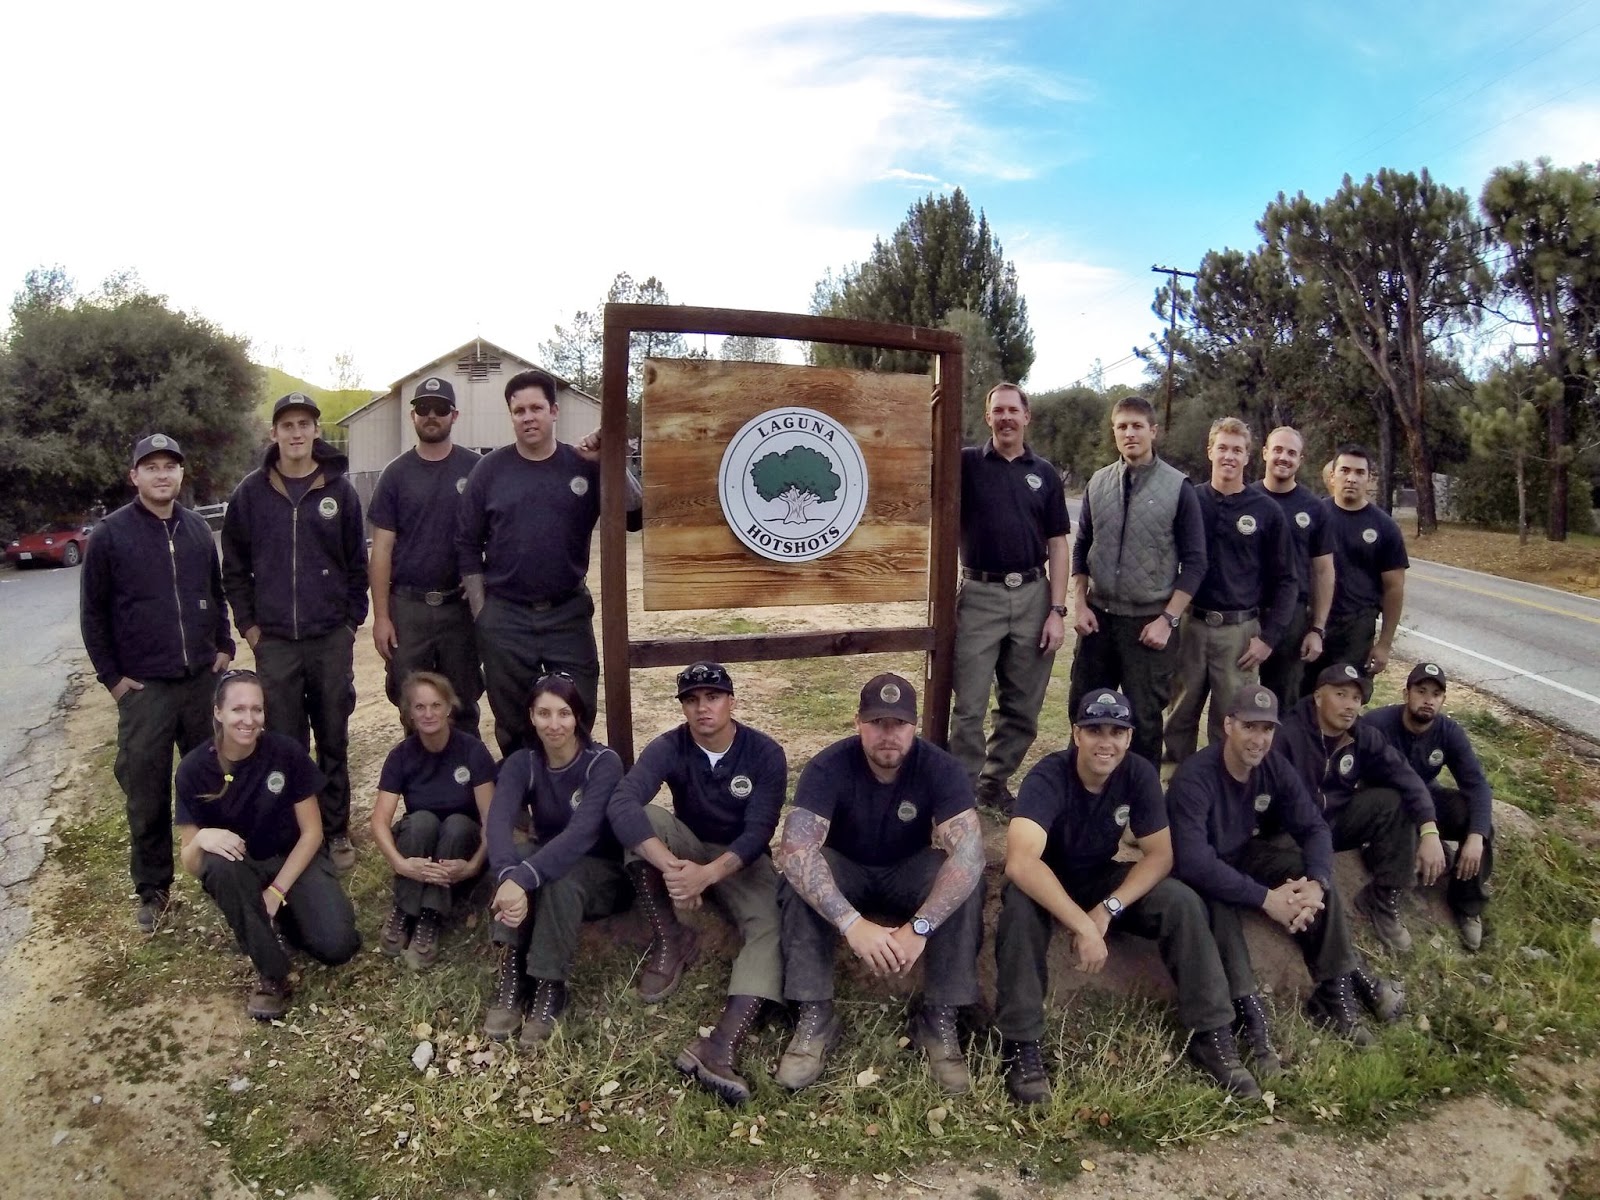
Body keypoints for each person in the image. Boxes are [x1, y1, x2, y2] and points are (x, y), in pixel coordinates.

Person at [995, 689, 1259, 1105]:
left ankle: (1212, 1034)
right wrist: (1083, 924)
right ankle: (1021, 1045)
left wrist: (1108, 908)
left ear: (1130, 738)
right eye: (1094, 730)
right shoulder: (1048, 775)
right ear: (1076, 734)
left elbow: (1161, 855)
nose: (1106, 742)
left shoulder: (1136, 773)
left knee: (1181, 902)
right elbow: (1021, 863)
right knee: (1018, 912)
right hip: (1047, 878)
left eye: (1117, 731)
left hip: (1099, 878)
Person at [774, 674, 985, 1095]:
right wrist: (852, 924)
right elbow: (794, 850)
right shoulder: (827, 766)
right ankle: (815, 1016)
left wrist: (920, 927)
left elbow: (970, 853)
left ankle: (939, 1020)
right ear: (858, 723)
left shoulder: (941, 768)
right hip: (846, 867)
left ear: (915, 726)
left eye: (899, 724)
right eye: (877, 723)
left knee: (964, 880)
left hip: (908, 868)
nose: (888, 735)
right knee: (800, 879)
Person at [1169, 684, 1400, 1054]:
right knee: (1216, 905)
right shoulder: (1194, 777)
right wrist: (1266, 899)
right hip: (1199, 871)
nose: (1259, 739)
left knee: (1308, 874)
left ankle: (1333, 990)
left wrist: (1318, 883)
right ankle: (1246, 1012)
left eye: (1268, 729)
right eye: (1250, 727)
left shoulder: (1273, 765)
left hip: (1244, 853)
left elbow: (1314, 827)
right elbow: (1194, 861)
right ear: (1228, 725)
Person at [606, 662, 788, 1104]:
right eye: (691, 700)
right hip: (688, 848)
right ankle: (672, 937)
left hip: (741, 861)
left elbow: (759, 831)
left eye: (712, 697)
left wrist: (706, 876)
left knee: (770, 927)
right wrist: (672, 868)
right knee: (644, 819)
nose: (702, 708)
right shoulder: (671, 745)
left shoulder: (765, 753)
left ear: (732, 701)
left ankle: (719, 1046)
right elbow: (623, 801)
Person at [80, 434, 234, 933]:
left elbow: (215, 591)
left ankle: (221, 875)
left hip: (199, 685)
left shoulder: (195, 530)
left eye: (170, 466)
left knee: (210, 784)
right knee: (146, 791)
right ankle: (154, 890)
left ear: (181, 474)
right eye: (152, 467)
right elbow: (93, 614)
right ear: (135, 476)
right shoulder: (110, 535)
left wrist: (224, 645)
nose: (162, 475)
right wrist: (113, 680)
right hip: (145, 689)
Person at [456, 369, 641, 757]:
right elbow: (467, 544)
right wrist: (482, 613)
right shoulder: (488, 472)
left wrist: (608, 460)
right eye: (518, 410)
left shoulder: (581, 465)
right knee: (512, 716)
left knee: (577, 707)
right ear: (511, 416)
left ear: (554, 410)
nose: (528, 416)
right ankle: (522, 797)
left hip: (566, 612)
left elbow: (635, 516)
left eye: (536, 407)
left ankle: (575, 792)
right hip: (505, 616)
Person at [222, 392, 368, 872]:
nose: (296, 433)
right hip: (277, 643)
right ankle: (293, 830)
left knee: (332, 734)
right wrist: (250, 628)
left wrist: (349, 624)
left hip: (330, 638)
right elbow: (235, 568)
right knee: (284, 740)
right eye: (287, 425)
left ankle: (336, 830)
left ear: (315, 432)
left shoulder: (339, 491)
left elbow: (356, 565)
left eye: (305, 423)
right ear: (274, 434)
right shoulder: (250, 493)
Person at [174, 670, 360, 1019]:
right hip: (241, 869)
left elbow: (312, 833)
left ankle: (279, 917)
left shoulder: (285, 753)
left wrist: (276, 892)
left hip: (293, 860)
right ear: (218, 712)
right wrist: (201, 837)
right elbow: (190, 862)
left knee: (338, 947)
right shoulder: (193, 769)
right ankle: (271, 973)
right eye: (238, 710)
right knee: (216, 863)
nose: (248, 719)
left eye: (256, 710)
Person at [483, 673, 628, 1050]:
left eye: (564, 713)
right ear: (530, 716)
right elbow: (498, 823)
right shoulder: (522, 763)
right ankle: (513, 974)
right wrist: (506, 877)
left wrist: (522, 878)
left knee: (558, 878)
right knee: (513, 861)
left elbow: (583, 833)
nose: (554, 724)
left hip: (601, 871)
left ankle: (550, 985)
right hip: (547, 866)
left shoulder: (603, 763)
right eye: (544, 713)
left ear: (578, 715)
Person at [950, 383, 1071, 811]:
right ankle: (960, 795)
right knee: (969, 703)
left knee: (1023, 706)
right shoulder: (964, 464)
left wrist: (1057, 610)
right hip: (980, 594)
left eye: (1012, 411)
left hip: (1034, 596)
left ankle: (994, 782)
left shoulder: (1046, 474)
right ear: (988, 418)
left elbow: (1058, 543)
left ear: (1026, 417)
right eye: (997, 411)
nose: (1005, 418)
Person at [1069, 396, 1208, 767]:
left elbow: (1196, 563)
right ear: (1114, 432)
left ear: (1153, 431)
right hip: (1098, 620)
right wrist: (1080, 604)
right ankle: (1079, 794)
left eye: (1137, 426)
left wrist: (1168, 620)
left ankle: (1138, 805)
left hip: (1149, 627)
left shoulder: (1179, 487)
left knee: (1144, 722)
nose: (1129, 433)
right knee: (1085, 710)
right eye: (1122, 426)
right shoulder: (1098, 483)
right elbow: (1082, 547)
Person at [1275, 663, 1445, 954]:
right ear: (1318, 697)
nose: (1350, 705)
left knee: (1394, 800)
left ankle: (1381, 897)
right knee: (1291, 863)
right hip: (1292, 830)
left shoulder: (1362, 735)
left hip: (1336, 821)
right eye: (1341, 694)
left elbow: (1406, 776)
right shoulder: (1287, 734)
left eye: (1356, 698)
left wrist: (1429, 830)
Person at [1164, 418, 1296, 763]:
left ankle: (1222, 797)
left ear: (1248, 457)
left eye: (1237, 450)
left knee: (1233, 722)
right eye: (1222, 448)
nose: (1229, 456)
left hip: (1239, 634)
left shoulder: (1266, 511)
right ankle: (1175, 791)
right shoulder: (1188, 501)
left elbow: (1286, 580)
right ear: (1210, 451)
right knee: (1179, 715)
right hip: (1192, 625)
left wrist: (1268, 638)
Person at [368, 376, 485, 738]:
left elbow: (500, 531)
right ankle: (422, 787)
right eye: (423, 408)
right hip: (410, 609)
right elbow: (381, 550)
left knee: (463, 701)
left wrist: (486, 576)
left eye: (440, 409)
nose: (431, 415)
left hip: (459, 609)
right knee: (413, 705)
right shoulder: (395, 475)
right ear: (412, 415)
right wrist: (382, 618)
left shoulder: (477, 468)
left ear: (455, 415)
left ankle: (472, 783)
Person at [371, 672, 497, 970]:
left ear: (449, 708)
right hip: (421, 845)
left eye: (436, 705)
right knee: (421, 821)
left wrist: (474, 865)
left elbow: (491, 817)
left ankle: (429, 917)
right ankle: (405, 908)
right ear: (409, 713)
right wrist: (399, 864)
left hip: (461, 847)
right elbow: (378, 821)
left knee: (455, 824)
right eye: (420, 707)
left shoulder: (472, 751)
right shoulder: (401, 756)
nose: (429, 714)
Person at [1366, 663, 1494, 951]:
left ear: (1443, 701)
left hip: (1425, 801)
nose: (1428, 699)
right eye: (1421, 691)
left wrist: (1477, 836)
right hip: (1386, 808)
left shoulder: (1449, 732)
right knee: (1395, 821)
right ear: (1406, 693)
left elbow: (1478, 786)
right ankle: (1384, 896)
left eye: (1436, 694)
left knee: (1471, 815)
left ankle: (1466, 903)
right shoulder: (1377, 724)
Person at [1303, 444, 1407, 691]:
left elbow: (1394, 589)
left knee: (1344, 699)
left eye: (1360, 473)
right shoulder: (1313, 516)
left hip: (1355, 629)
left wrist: (1384, 644)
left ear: (1369, 479)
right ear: (1332, 475)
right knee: (1301, 698)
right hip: (1310, 623)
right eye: (1345, 470)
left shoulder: (1385, 527)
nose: (1351, 478)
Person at [1253, 426, 1334, 710]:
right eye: (1277, 450)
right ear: (1265, 453)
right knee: (1241, 698)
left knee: (1283, 701)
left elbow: (1323, 571)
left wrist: (1317, 629)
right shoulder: (1246, 498)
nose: (1283, 458)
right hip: (1247, 614)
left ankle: (1280, 754)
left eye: (1291, 452)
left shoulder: (1314, 508)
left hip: (1292, 618)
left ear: (1300, 459)